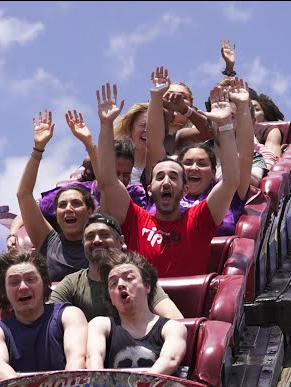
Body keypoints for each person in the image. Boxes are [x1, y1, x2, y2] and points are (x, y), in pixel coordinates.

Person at [94, 81, 239, 278]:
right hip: (144, 304)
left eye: (173, 176)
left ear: (185, 189)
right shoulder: (136, 219)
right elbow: (108, 180)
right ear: (148, 189)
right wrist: (105, 125)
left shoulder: (199, 219)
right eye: (160, 176)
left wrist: (225, 125)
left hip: (191, 308)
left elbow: (230, 181)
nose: (166, 181)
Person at [0, 248, 88, 381]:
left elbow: (76, 360)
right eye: (14, 282)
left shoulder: (69, 314)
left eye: (30, 279)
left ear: (44, 284)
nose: (23, 287)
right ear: (4, 291)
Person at [11, 109, 93, 281]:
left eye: (76, 203)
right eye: (62, 205)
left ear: (91, 211)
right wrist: (38, 149)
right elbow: (24, 195)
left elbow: (107, 184)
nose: (68, 208)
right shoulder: (49, 241)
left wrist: (88, 143)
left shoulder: (100, 240)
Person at [52, 214, 183, 320]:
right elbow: (46, 319)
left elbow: (175, 319)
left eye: (104, 235)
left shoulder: (138, 279)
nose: (97, 240)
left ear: (121, 241)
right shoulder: (71, 283)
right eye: (90, 237)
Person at [87, 250, 187, 375]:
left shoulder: (172, 327)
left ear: (147, 286)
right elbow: (94, 360)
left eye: (129, 278)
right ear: (110, 297)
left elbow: (170, 360)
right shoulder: (100, 325)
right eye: (113, 283)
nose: (120, 285)